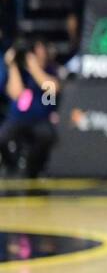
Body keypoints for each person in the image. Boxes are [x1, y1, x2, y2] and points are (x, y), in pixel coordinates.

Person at [0, 39, 58, 178]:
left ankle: (34, 167)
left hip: (40, 120)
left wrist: (33, 67)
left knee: (46, 135)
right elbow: (17, 94)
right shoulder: (18, 72)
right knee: (2, 137)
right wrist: (13, 65)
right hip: (17, 119)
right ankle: (10, 165)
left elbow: (51, 88)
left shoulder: (49, 70)